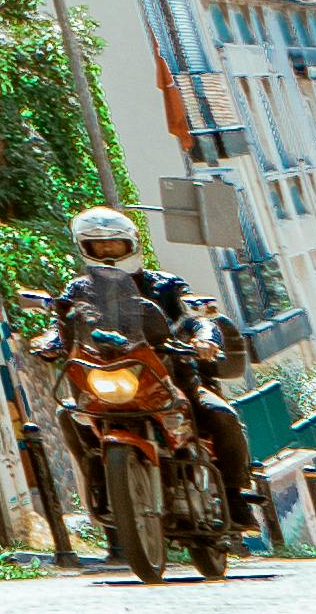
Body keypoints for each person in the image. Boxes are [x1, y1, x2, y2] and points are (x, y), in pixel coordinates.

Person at [39, 208, 255, 564]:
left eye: (115, 243)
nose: (108, 252)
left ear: (132, 244)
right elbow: (60, 321)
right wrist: (49, 339)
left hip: (171, 376)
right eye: (98, 245)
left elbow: (195, 317)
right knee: (69, 414)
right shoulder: (78, 289)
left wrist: (204, 337)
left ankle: (235, 495)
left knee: (221, 415)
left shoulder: (165, 285)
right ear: (84, 249)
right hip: (107, 379)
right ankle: (101, 482)